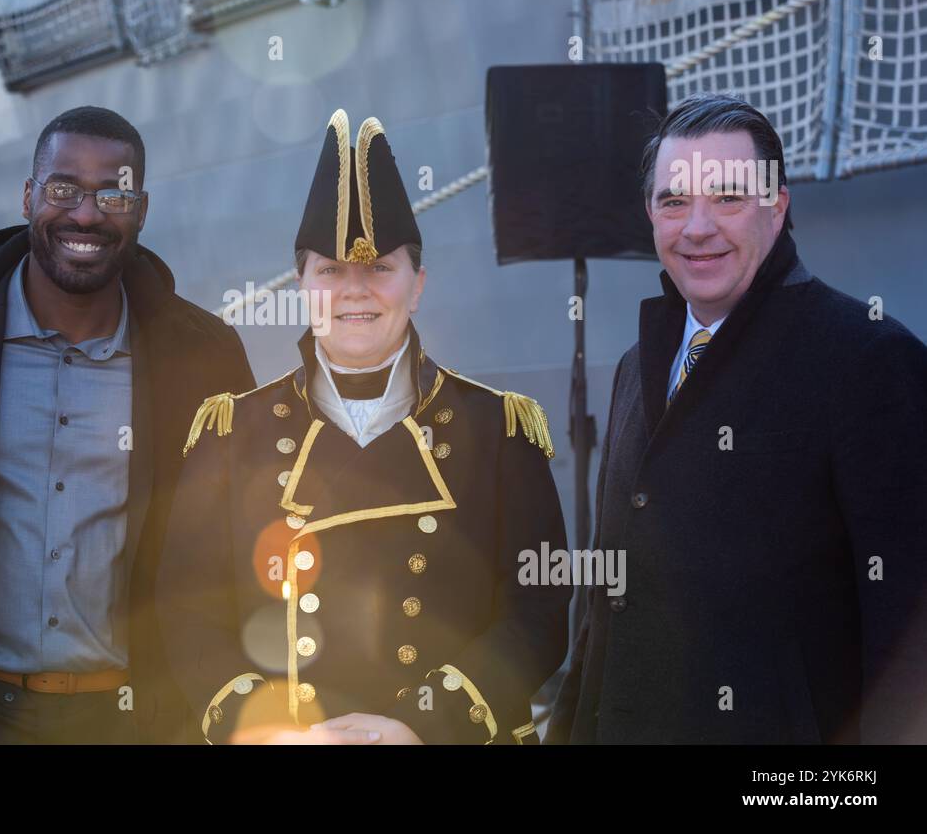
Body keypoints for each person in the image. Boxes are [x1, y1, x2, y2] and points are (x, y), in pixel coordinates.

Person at [0, 106, 254, 744]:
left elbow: (242, 540)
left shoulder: (204, 359)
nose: (86, 214)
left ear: (140, 209)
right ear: (29, 196)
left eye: (114, 193)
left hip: (138, 722)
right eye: (63, 190)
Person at [157, 109, 569, 744]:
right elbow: (187, 611)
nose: (356, 292)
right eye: (331, 271)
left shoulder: (499, 430)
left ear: (418, 284)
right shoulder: (229, 433)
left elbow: (537, 612)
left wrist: (417, 726)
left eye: (380, 269)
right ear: (302, 285)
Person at [548, 93, 927, 744]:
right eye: (674, 201)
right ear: (650, 214)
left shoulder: (869, 359)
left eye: (727, 196)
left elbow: (908, 639)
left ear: (776, 207)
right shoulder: (634, 370)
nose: (697, 226)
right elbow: (606, 613)